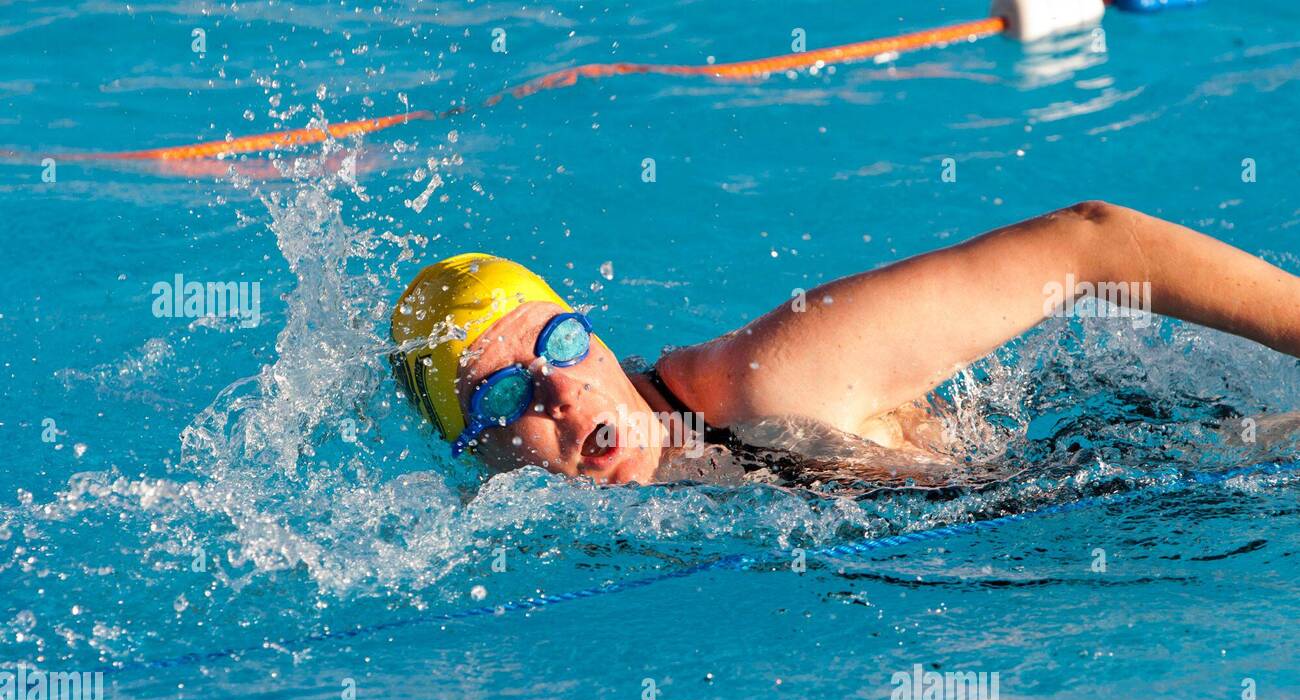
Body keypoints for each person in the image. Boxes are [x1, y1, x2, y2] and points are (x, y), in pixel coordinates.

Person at [389, 201, 1300, 486]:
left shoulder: (768, 383)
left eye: (560, 339)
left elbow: (1088, 244)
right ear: (479, 455)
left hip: (1132, 469)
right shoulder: (560, 519)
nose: (561, 393)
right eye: (505, 396)